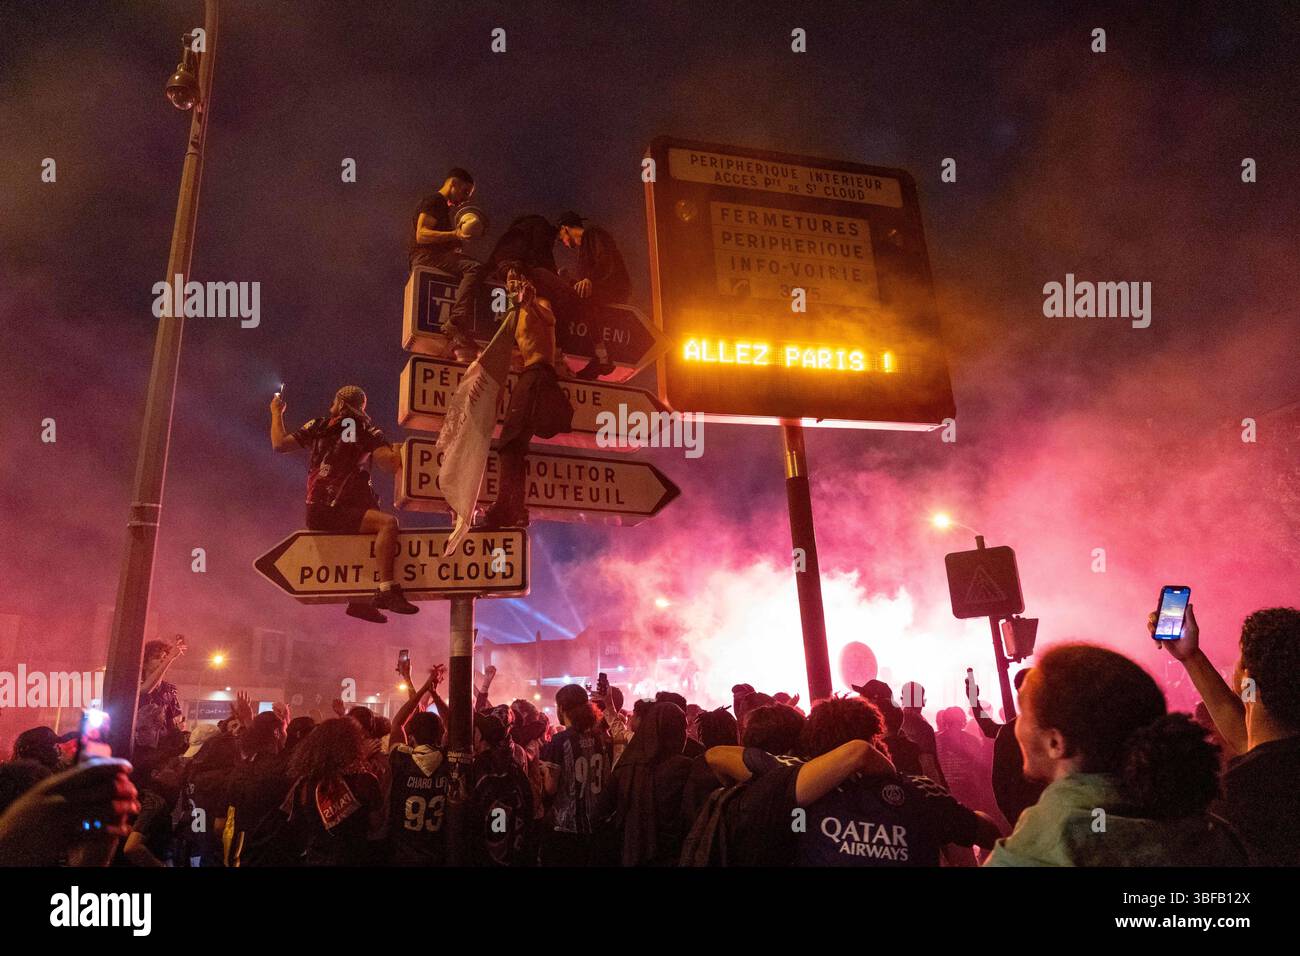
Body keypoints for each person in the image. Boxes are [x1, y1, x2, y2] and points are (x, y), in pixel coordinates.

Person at [984, 643, 1246, 867]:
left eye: (1023, 711)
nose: (1016, 724)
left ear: (1055, 743)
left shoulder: (1033, 853)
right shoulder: (1213, 833)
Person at [711, 696, 1000, 867]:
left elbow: (718, 755)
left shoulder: (798, 784)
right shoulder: (919, 792)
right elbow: (987, 832)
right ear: (876, 738)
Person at [1152, 605, 1300, 865]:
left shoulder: (1232, 794)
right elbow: (1248, 737)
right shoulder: (1281, 758)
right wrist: (1191, 657)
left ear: (1246, 678)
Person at [270, 384, 418, 623]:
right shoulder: (366, 429)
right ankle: (387, 589)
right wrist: (403, 450)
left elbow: (279, 444)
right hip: (337, 507)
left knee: (366, 533)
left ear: (339, 404)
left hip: (316, 510)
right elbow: (388, 464)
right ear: (361, 408)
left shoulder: (318, 425)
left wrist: (277, 412)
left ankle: (359, 602)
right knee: (388, 525)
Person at [477, 269, 574, 530]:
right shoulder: (515, 315)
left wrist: (530, 301)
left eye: (517, 282)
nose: (513, 286)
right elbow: (510, 350)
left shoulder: (538, 305)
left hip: (539, 375)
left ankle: (506, 508)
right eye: (509, 283)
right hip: (529, 376)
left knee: (510, 442)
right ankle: (514, 509)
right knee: (513, 445)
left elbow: (550, 319)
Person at [595, 701, 693, 866]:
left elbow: (600, 812)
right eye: (682, 729)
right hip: (675, 855)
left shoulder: (627, 765)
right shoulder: (686, 768)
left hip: (631, 853)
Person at [409, 167, 483, 361]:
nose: (466, 199)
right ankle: (456, 321)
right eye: (465, 191)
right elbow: (422, 234)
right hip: (425, 256)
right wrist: (454, 234)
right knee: (474, 268)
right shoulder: (435, 201)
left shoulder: (444, 209)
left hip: (433, 257)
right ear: (453, 184)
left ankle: (461, 328)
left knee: (473, 268)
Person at [538, 684, 611, 866]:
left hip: (565, 829)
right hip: (596, 827)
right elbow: (607, 776)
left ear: (561, 708)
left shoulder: (560, 741)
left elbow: (550, 787)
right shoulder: (599, 737)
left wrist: (543, 769)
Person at [386, 670, 452, 866]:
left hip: (403, 851)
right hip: (437, 851)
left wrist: (425, 687)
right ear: (441, 735)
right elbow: (453, 725)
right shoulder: (448, 758)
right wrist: (434, 694)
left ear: (411, 736)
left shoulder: (401, 757)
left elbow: (397, 723)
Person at [968, 669, 1044, 828]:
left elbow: (988, 727)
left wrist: (974, 700)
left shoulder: (1010, 730)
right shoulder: (1061, 726)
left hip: (1024, 814)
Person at [469, 712, 534, 866]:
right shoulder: (514, 767)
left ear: (480, 735)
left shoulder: (480, 768)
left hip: (486, 856)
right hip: (513, 854)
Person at [853, 679, 922, 775]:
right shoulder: (907, 745)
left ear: (875, 703)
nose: (858, 700)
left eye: (863, 698)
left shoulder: (879, 749)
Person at [136, 635, 186, 756]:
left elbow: (174, 720)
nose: (162, 660)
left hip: (160, 750)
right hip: (136, 747)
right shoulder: (134, 684)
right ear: (145, 663)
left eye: (164, 657)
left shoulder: (169, 689)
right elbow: (145, 690)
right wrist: (170, 658)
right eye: (157, 657)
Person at [899, 681, 947, 787]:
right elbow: (928, 762)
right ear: (921, 701)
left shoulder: (895, 721)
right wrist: (940, 788)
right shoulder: (922, 726)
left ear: (903, 699)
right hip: (919, 785)